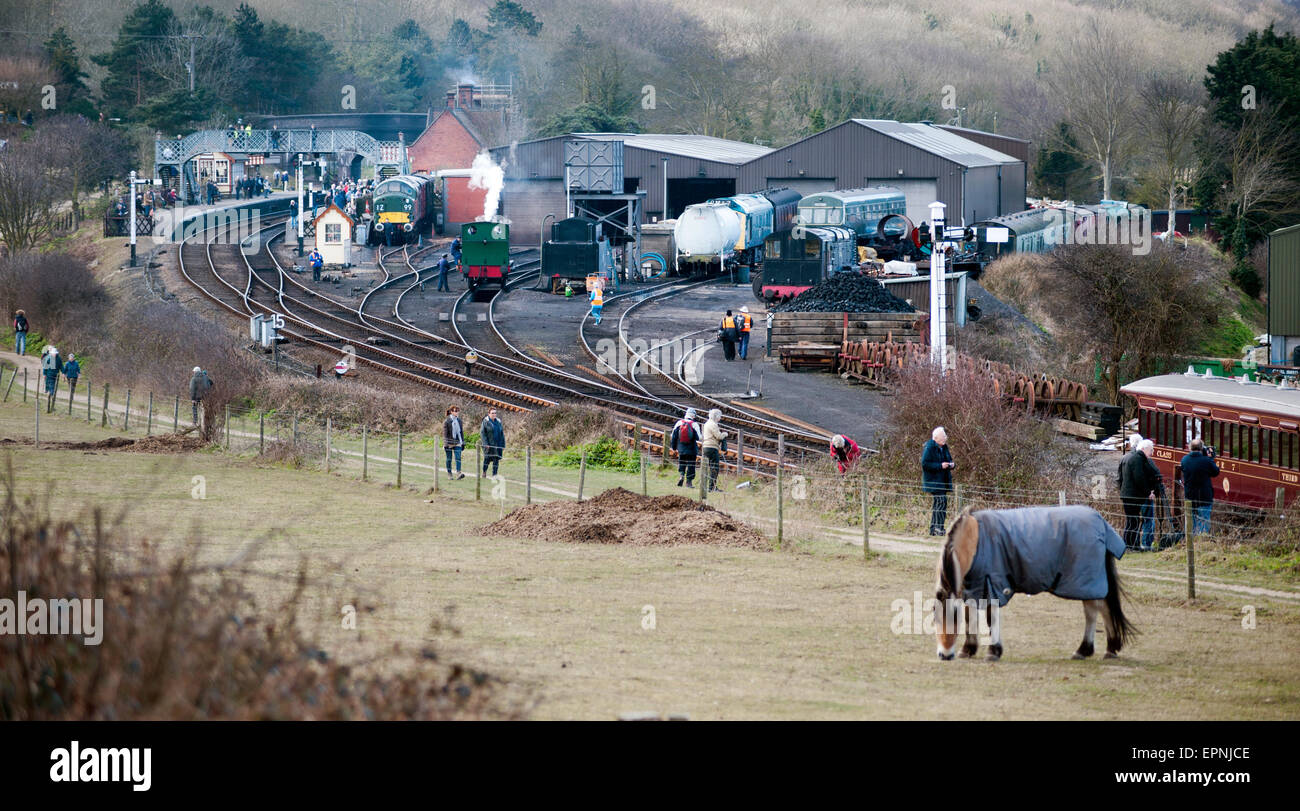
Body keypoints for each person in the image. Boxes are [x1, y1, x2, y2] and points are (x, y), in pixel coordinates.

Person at [1119, 439, 1165, 550]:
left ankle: (1130, 544)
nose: (1152, 452)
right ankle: (1131, 545)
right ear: (1143, 449)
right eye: (1151, 450)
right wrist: (1148, 492)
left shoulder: (1131, 457)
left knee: (1132, 521)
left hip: (1128, 494)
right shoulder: (1137, 459)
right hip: (1132, 496)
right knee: (1133, 521)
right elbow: (1139, 478)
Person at [1179, 438, 1220, 535]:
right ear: (1202, 448)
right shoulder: (1207, 461)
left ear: (1190, 447)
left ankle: (1189, 542)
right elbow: (1215, 472)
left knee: (1190, 522)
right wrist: (1210, 458)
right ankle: (1201, 542)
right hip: (1204, 497)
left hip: (1190, 496)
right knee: (1203, 521)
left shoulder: (1184, 460)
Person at [921, 426, 955, 536]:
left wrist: (951, 464)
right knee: (941, 502)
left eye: (945, 436)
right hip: (933, 481)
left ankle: (934, 529)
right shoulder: (929, 448)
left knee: (940, 503)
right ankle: (938, 528)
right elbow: (925, 464)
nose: (946, 438)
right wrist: (940, 466)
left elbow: (949, 459)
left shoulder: (944, 447)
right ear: (936, 438)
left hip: (943, 481)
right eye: (943, 436)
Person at [670, 408, 702, 487]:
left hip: (681, 448)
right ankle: (689, 482)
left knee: (682, 462)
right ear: (693, 416)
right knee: (691, 464)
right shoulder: (694, 424)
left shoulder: (679, 423)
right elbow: (699, 438)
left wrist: (674, 447)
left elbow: (673, 436)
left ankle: (681, 475)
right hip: (691, 448)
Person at [700, 408, 728, 492]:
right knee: (714, 468)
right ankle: (712, 487)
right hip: (712, 447)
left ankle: (704, 485)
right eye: (720, 416)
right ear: (716, 416)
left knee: (707, 467)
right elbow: (719, 436)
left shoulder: (707, 423)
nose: (720, 418)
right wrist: (725, 434)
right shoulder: (713, 424)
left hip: (705, 447)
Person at [480, 407, 506, 477]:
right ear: (489, 414)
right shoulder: (485, 421)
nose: (494, 414)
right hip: (489, 444)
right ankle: (484, 471)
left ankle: (494, 475)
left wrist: (503, 444)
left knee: (496, 460)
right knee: (487, 459)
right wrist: (485, 444)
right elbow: (483, 434)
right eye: (492, 413)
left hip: (497, 444)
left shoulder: (498, 421)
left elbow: (501, 434)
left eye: (495, 413)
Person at [443, 406, 465, 479]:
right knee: (449, 459)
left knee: (458, 457)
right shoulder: (447, 421)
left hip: (458, 441)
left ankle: (459, 473)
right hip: (449, 442)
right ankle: (449, 473)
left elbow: (461, 432)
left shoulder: (459, 421)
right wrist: (445, 444)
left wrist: (463, 442)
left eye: (458, 411)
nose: (457, 412)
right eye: (455, 411)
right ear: (451, 412)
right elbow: (445, 434)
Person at [41, 345, 62, 413]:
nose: (55, 355)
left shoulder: (58, 359)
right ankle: (51, 394)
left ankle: (51, 394)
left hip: (55, 374)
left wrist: (64, 372)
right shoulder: (48, 358)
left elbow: (61, 366)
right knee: (51, 385)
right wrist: (44, 374)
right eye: (54, 353)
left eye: (56, 353)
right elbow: (45, 366)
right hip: (49, 374)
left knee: (53, 385)